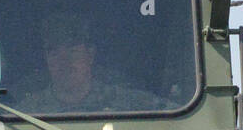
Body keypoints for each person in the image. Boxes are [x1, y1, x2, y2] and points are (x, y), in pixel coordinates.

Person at [22, 13, 176, 113]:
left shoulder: (130, 103)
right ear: (46, 59)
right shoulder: (27, 112)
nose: (64, 61)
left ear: (90, 55)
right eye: (53, 52)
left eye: (73, 50)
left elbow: (175, 115)